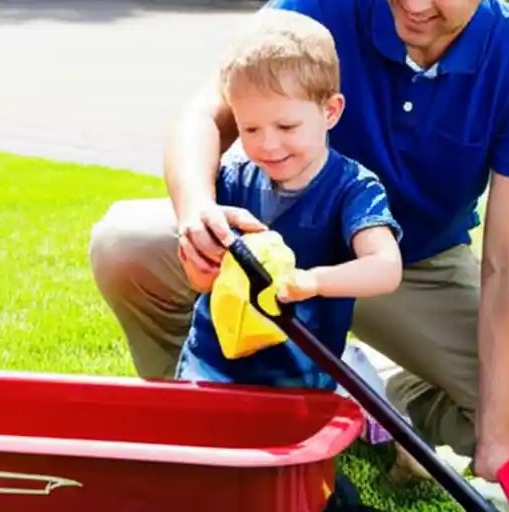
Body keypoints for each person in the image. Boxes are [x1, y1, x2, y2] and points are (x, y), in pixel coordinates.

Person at [89, 0, 509, 493]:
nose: (415, 5)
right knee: (123, 244)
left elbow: (508, 264)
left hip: (412, 268)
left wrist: (498, 440)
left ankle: (370, 387)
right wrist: (198, 210)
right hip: (267, 249)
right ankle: (206, 420)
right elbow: (202, 115)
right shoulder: (320, 8)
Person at [173, 10, 404, 392]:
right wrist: (199, 261)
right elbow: (203, 279)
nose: (268, 144)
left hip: (303, 377)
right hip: (214, 364)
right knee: (199, 446)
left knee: (285, 449)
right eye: (250, 128)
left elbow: (385, 267)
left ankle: (362, 375)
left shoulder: (352, 188)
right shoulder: (231, 181)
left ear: (330, 111)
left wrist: (311, 282)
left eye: (286, 126)